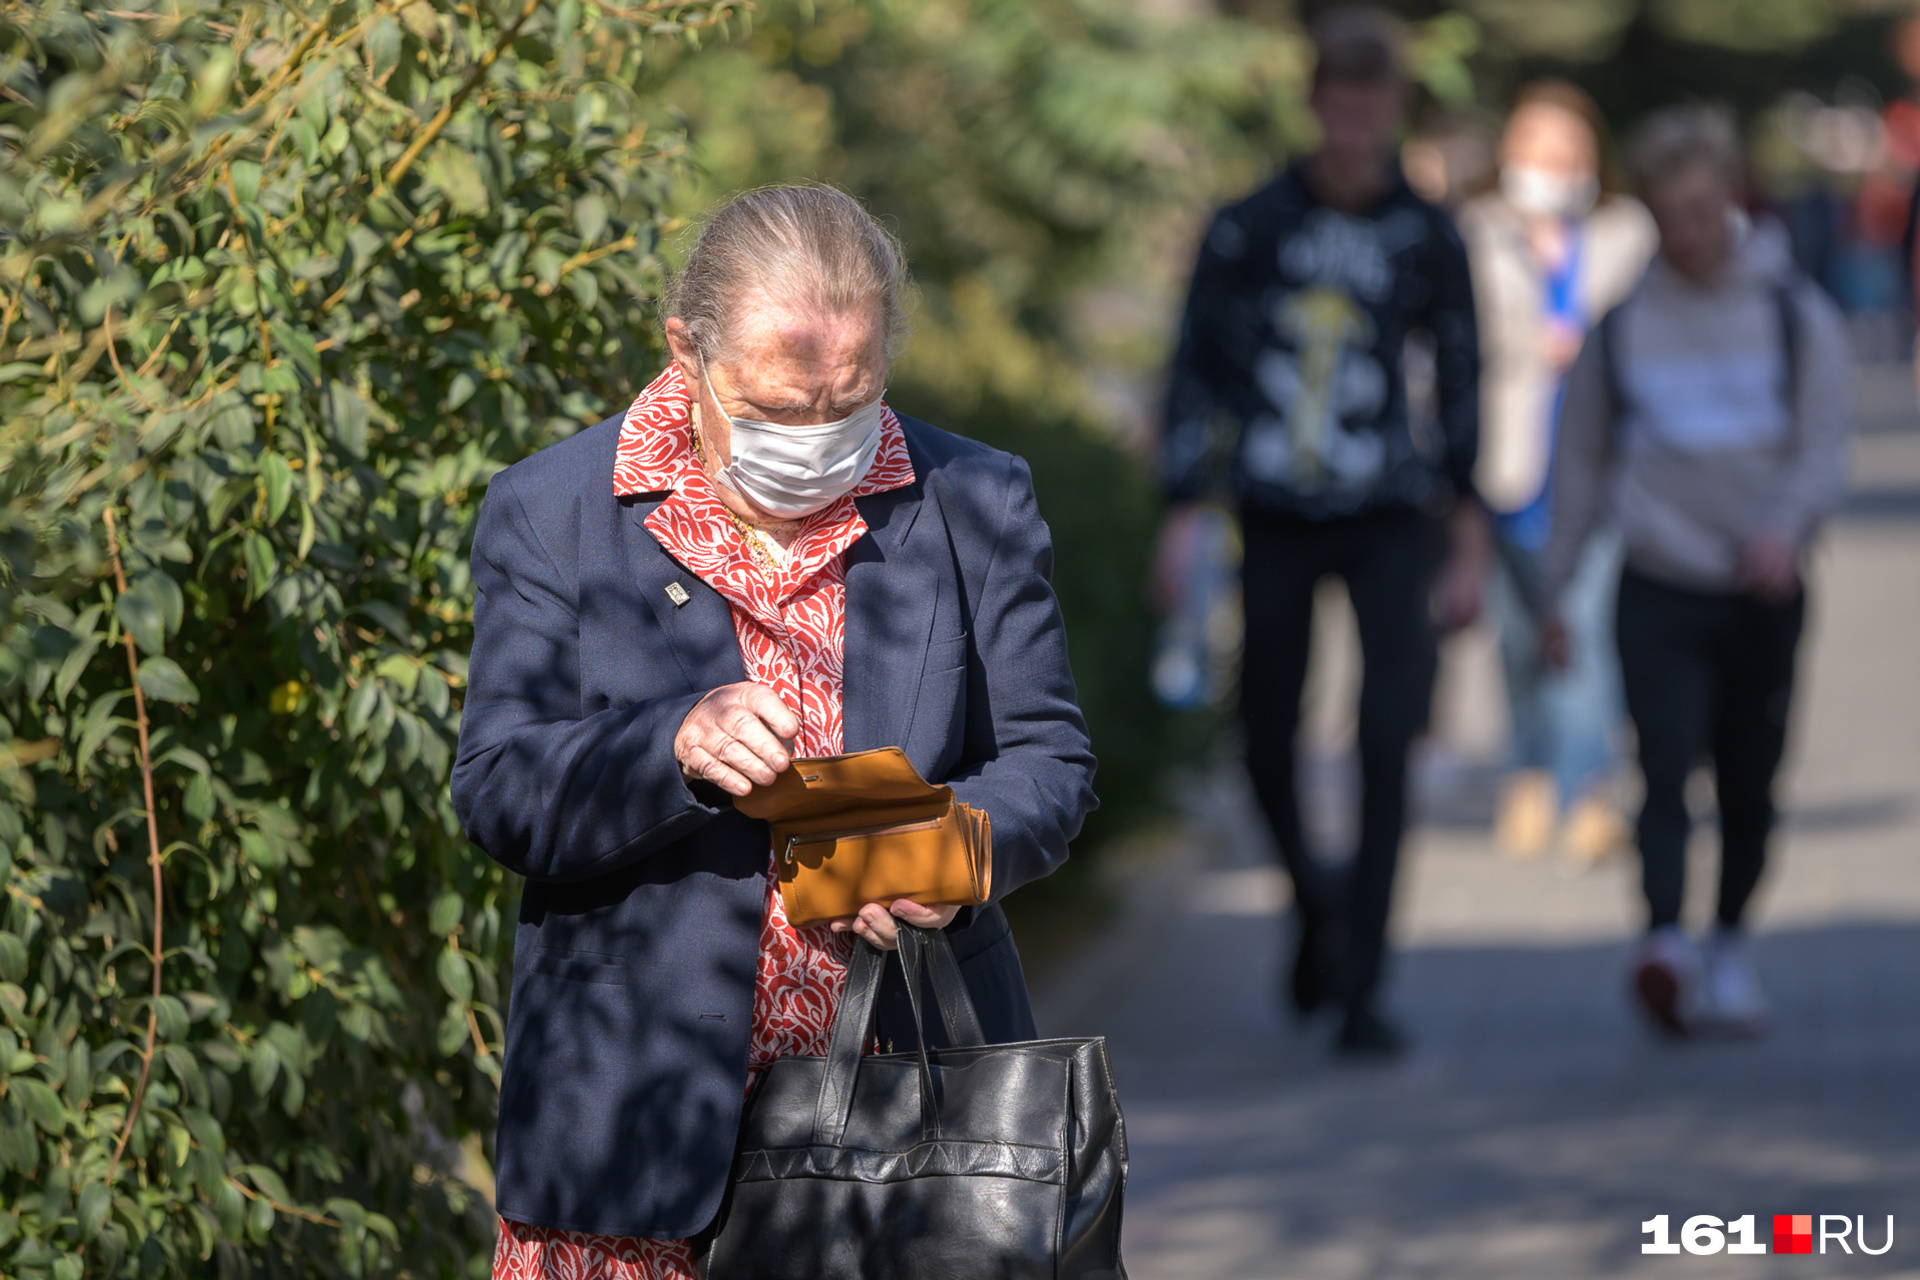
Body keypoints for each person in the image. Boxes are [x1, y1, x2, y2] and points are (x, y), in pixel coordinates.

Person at [451, 185, 1097, 1275]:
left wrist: (953, 849)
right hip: (632, 1122)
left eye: (852, 400)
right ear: (686, 351)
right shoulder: (554, 510)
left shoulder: (971, 499)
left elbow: (1052, 759)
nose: (819, 438)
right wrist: (671, 744)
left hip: (905, 1121)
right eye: (779, 407)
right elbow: (498, 785)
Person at [1158, 6, 1487, 1058]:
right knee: (1263, 729)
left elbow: (1466, 375)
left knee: (1389, 736)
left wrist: (1468, 529)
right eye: (1337, 110)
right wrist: (1182, 506)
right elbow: (1194, 368)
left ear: (1394, 110)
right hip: (1275, 510)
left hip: (1393, 512)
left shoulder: (1428, 232)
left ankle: (1364, 982)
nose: (1353, 131)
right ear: (1316, 107)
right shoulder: (1252, 224)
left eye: (1370, 111)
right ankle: (1315, 900)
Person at [1541, 107, 1852, 1038]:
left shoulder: (1793, 312)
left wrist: (1785, 531)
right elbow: (1583, 465)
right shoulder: (1624, 326)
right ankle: (1664, 940)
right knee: (1665, 762)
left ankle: (1729, 945)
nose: (1692, 233)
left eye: (1706, 211)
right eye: (1673, 214)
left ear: (1732, 201)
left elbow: (1825, 442)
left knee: (1751, 780)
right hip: (1659, 578)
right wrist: (1558, 591)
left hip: (1762, 584)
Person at [1457, 81, 1656, 862]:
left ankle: (1591, 792)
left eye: (1566, 152)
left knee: (1584, 633)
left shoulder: (1624, 232)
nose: (1550, 167)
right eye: (1535, 151)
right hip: (1504, 466)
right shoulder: (1477, 234)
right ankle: (1529, 771)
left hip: (1600, 471)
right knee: (1516, 641)